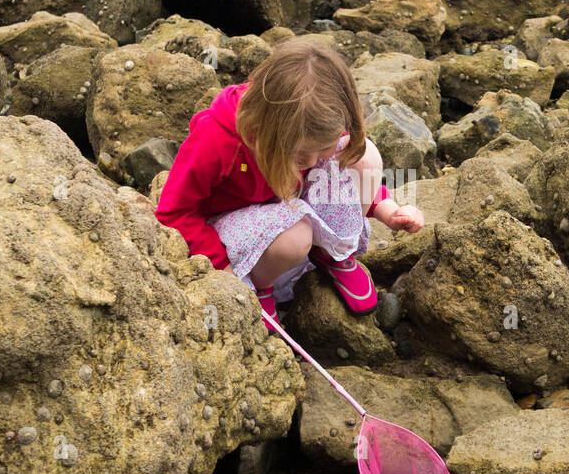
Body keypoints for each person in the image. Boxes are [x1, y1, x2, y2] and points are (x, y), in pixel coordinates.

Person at [155, 37, 424, 322]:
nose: (310, 164)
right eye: (299, 156)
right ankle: (261, 285)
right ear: (264, 132)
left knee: (364, 156)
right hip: (234, 224)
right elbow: (173, 211)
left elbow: (343, 174)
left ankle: (332, 252)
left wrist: (387, 210)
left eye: (321, 151)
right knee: (295, 238)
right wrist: (220, 266)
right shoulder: (215, 140)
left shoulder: (308, 127)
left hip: (284, 199)